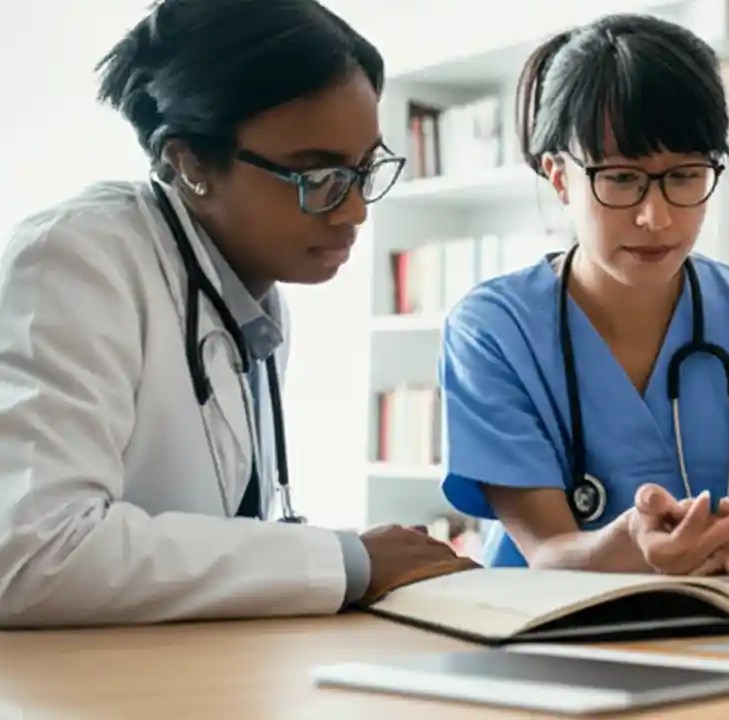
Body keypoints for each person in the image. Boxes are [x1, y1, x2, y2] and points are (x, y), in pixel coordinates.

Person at [0, 0, 475, 628]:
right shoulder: (76, 259)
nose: (355, 210)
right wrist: (346, 560)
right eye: (319, 175)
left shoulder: (251, 299)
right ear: (190, 162)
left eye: (364, 171)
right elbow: (33, 555)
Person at [438, 13, 729, 574]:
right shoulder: (493, 330)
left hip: (723, 640)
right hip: (545, 644)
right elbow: (548, 553)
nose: (655, 216)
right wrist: (636, 544)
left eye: (685, 176)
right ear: (560, 177)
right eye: (620, 178)